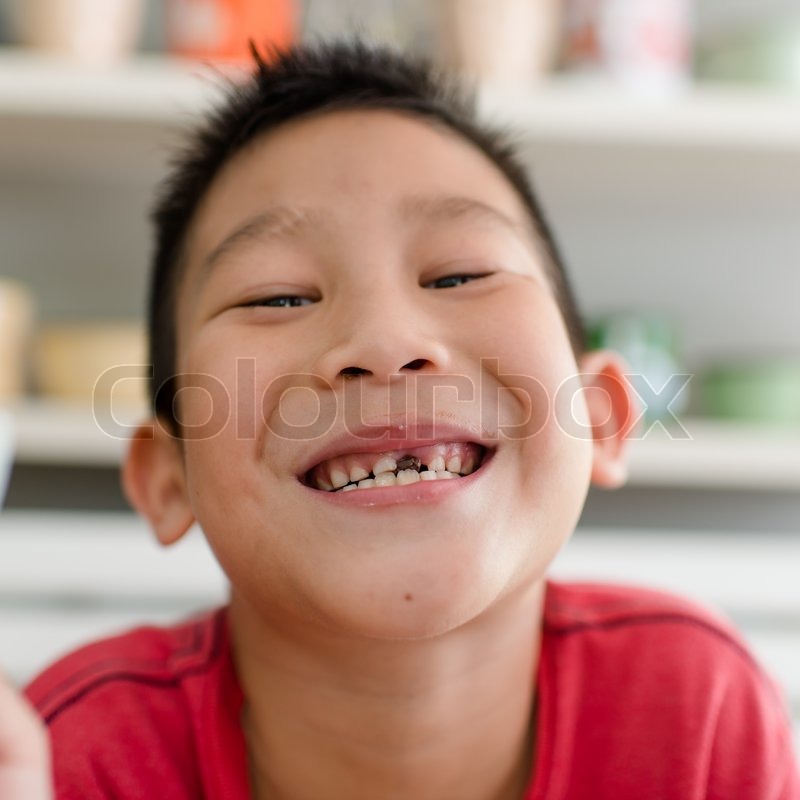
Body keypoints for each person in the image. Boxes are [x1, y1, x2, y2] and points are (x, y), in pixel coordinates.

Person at [6, 39, 799, 798]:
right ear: (168, 477)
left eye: (459, 274)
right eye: (277, 297)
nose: (384, 343)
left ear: (599, 417)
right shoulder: (71, 753)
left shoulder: (695, 712)